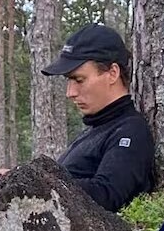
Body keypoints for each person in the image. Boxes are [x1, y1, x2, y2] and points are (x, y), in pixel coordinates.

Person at [42, 23, 156, 212]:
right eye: (69, 81)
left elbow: (107, 195)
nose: (70, 92)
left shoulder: (130, 131)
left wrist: (37, 184)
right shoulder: (95, 131)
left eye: (79, 80)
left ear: (112, 73)